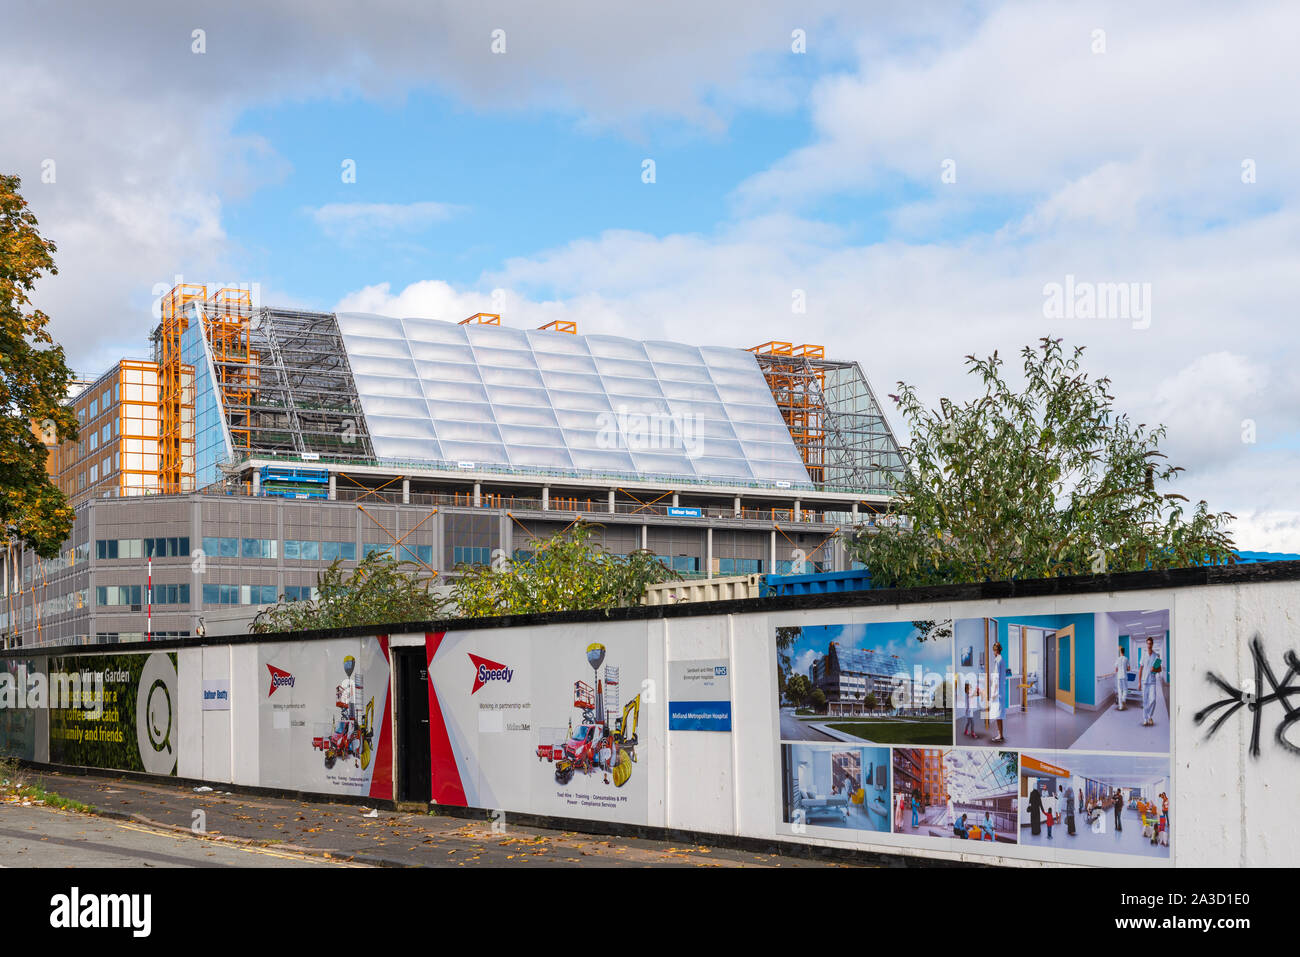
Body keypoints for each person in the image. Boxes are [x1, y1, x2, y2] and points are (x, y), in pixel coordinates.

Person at [334, 655, 362, 766]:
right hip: (350, 718)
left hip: (352, 717)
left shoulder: (351, 686)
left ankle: (355, 755)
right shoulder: (346, 684)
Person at [1140, 637, 1163, 726]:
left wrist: (1155, 669)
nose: (1149, 645)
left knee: (1153, 699)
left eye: (1150, 644)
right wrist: (1139, 682)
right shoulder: (1144, 655)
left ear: (1152, 644)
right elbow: (1141, 669)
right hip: (1144, 681)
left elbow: (1160, 669)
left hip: (1152, 681)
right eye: (1148, 643)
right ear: (1146, 644)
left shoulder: (1156, 656)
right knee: (1145, 701)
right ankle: (1146, 719)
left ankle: (1149, 715)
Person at [989, 642, 1006, 743]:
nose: (993, 653)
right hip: (1001, 691)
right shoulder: (1002, 660)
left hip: (997, 691)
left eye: (993, 651)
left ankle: (1000, 735)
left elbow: (996, 678)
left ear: (996, 650)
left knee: (998, 715)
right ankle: (1001, 734)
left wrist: (993, 694)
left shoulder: (997, 661)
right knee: (999, 714)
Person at [1112, 643, 1130, 710]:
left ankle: (1120, 706)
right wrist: (1125, 669)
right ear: (1124, 652)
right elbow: (1129, 668)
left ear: (1120, 652)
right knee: (1125, 689)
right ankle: (1123, 699)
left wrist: (1118, 670)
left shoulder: (1118, 659)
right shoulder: (1126, 659)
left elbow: (1116, 669)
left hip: (1119, 676)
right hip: (1124, 676)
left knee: (1119, 690)